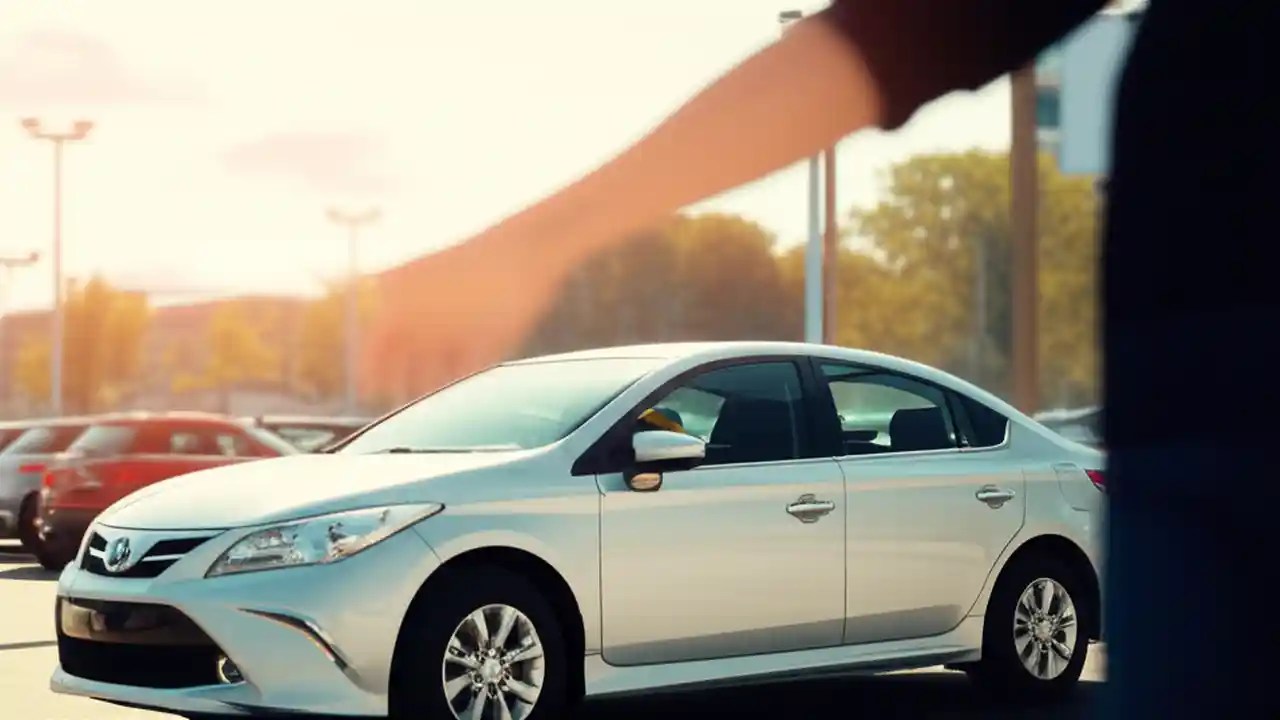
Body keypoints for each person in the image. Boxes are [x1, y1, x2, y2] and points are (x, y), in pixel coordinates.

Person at [370, 2, 1275, 715]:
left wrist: (542, 241)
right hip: (1209, 407)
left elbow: (895, 38)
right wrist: (540, 241)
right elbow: (906, 34)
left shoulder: (1029, 468)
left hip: (1210, 408)